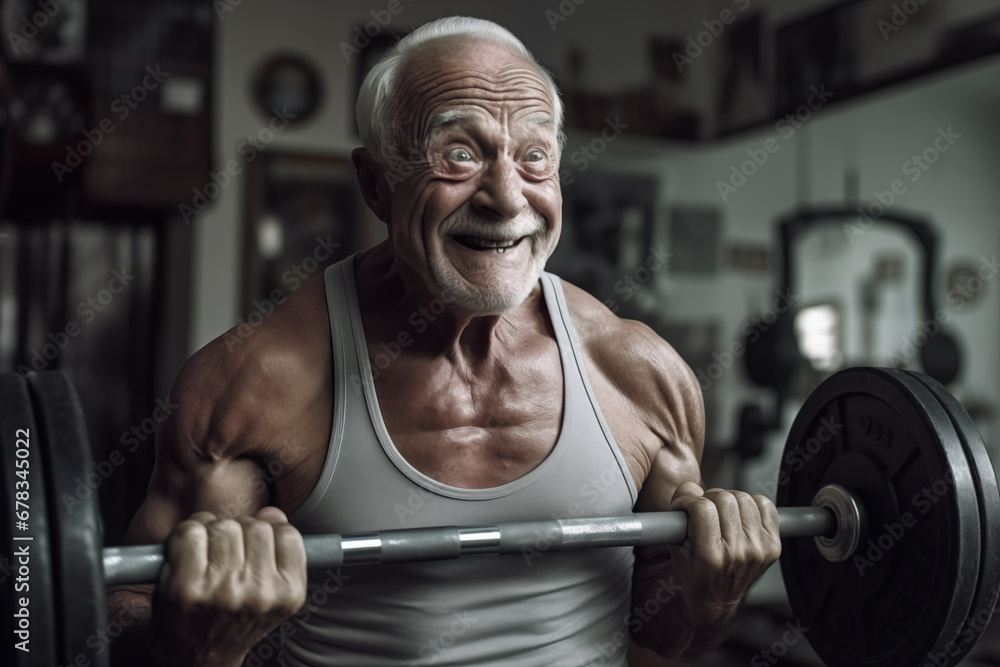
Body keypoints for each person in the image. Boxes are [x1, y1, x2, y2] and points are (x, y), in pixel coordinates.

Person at [108, 16, 780, 667]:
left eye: (534, 157)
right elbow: (121, 616)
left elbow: (670, 633)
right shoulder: (253, 383)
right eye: (460, 153)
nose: (506, 198)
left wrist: (712, 595)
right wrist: (199, 646)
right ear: (376, 183)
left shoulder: (638, 373)